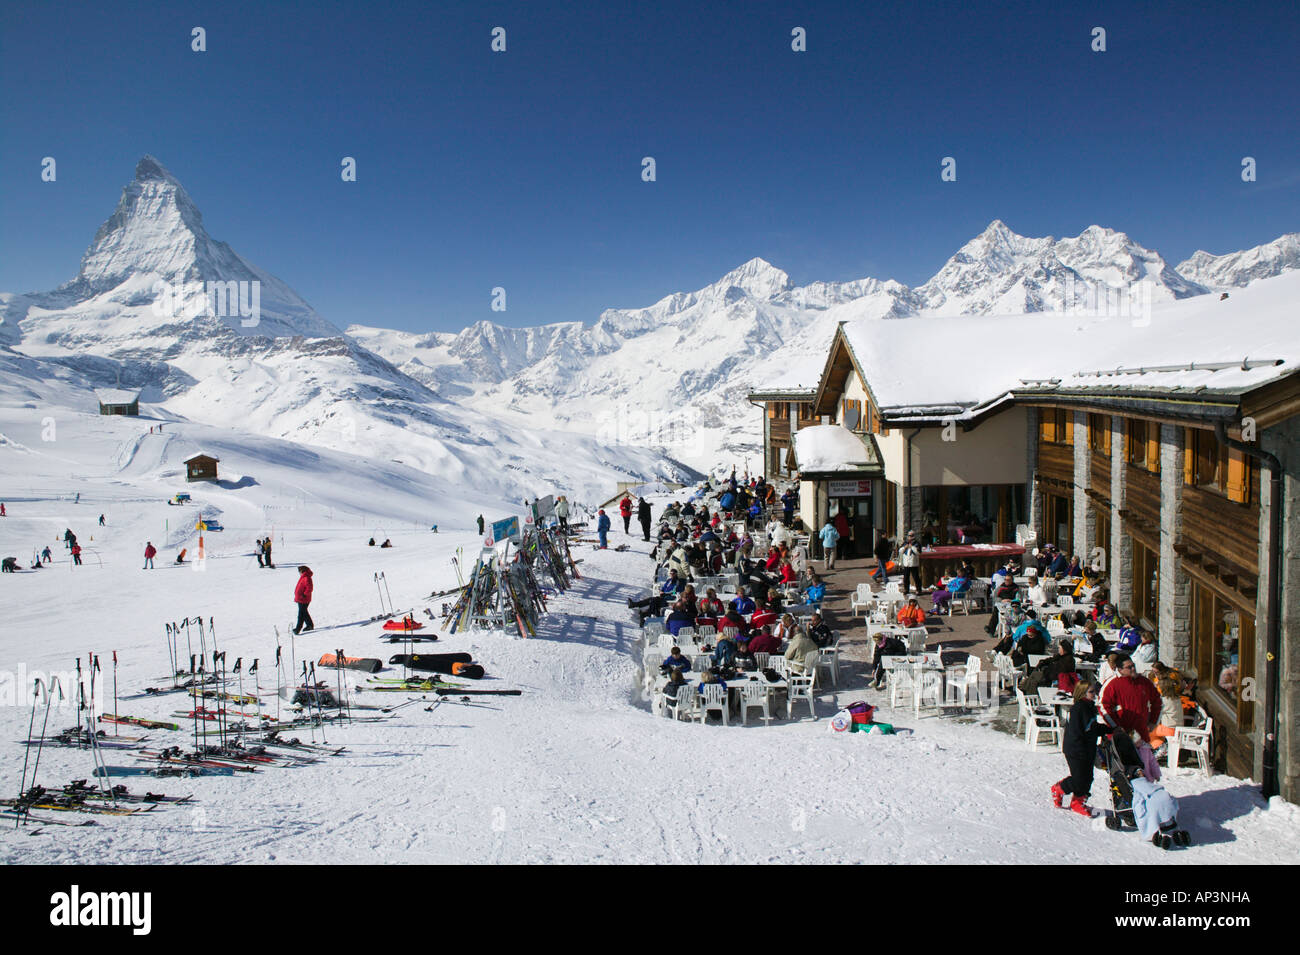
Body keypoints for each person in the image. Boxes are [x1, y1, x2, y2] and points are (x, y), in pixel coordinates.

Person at [1051, 681, 1108, 817]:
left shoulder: (1089, 707)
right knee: (1079, 778)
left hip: (1088, 748)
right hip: (1076, 749)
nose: (1095, 695)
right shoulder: (1079, 708)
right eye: (1091, 692)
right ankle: (1059, 788)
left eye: (1095, 691)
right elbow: (1076, 732)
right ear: (1082, 693)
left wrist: (1110, 729)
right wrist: (1080, 749)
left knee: (1088, 777)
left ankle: (1078, 801)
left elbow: (1093, 728)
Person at [1099, 657, 1162, 738]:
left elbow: (1158, 702)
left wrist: (1153, 722)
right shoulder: (1112, 683)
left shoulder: (1144, 682)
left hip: (1141, 733)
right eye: (1129, 667)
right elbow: (1103, 706)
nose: (1133, 669)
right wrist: (1115, 726)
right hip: (1121, 734)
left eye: (1133, 666)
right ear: (1120, 670)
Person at [898, 531, 922, 595]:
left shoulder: (917, 543)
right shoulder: (905, 543)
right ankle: (906, 589)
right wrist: (904, 547)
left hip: (913, 563)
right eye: (909, 536)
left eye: (911, 536)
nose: (910, 537)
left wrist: (912, 547)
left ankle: (918, 590)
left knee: (916, 578)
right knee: (905, 577)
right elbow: (900, 551)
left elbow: (918, 553)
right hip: (906, 563)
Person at [292, 566, 315, 634]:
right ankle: (309, 625)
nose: (299, 573)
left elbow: (310, 588)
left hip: (304, 599)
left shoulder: (306, 577)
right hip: (301, 598)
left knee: (301, 614)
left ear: (303, 571)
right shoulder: (304, 577)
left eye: (300, 571)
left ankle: (298, 629)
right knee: (304, 613)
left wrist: (304, 595)